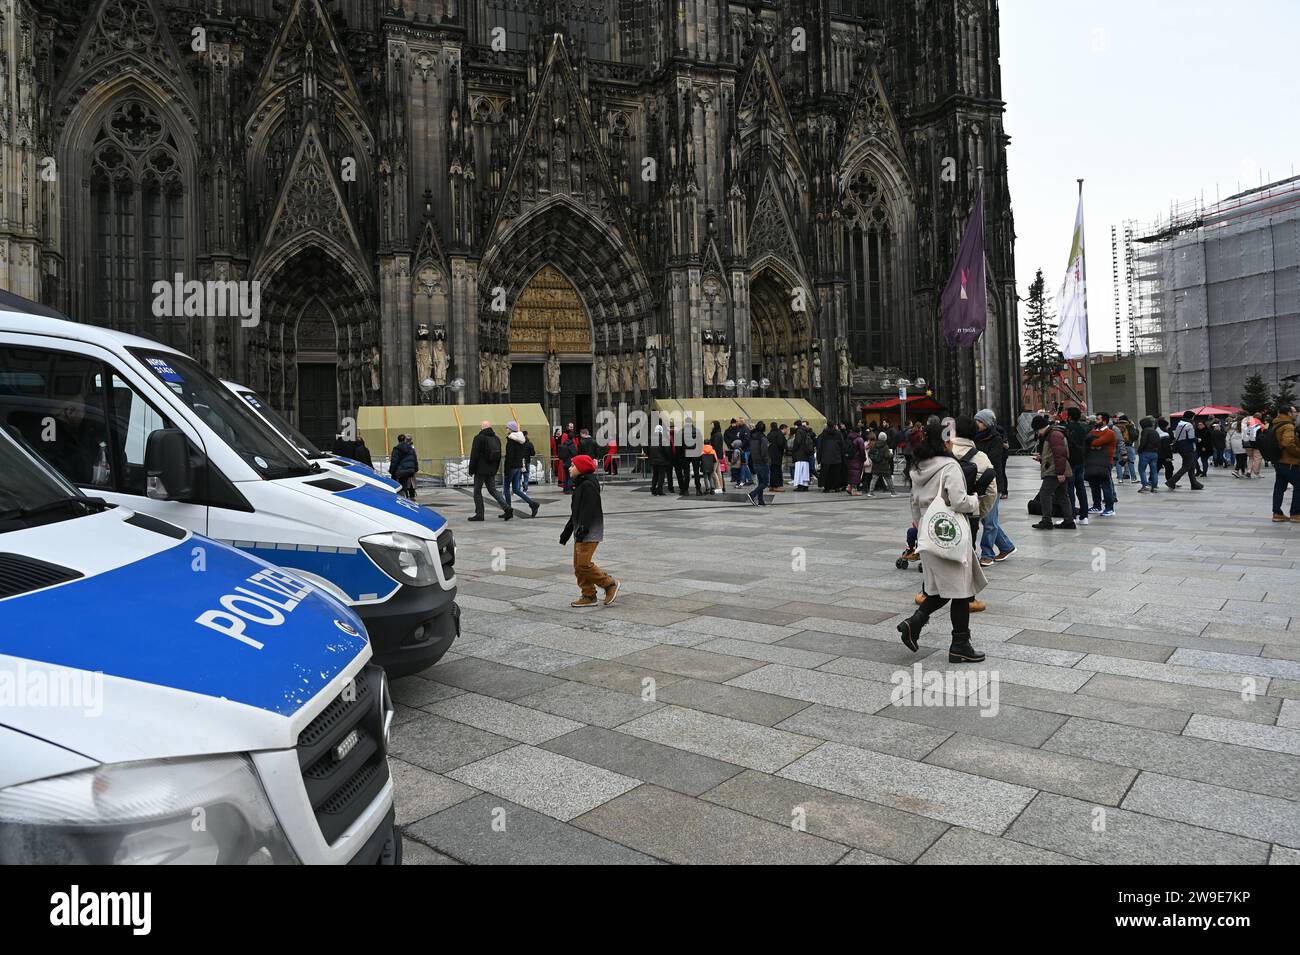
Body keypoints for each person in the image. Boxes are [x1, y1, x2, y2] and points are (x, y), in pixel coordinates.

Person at [895, 419, 987, 664]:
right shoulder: (950, 466)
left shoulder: (918, 467)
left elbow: (914, 504)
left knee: (946, 589)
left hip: (929, 532)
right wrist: (975, 500)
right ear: (946, 441)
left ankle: (915, 624)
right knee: (960, 591)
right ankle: (959, 644)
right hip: (950, 534)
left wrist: (922, 529)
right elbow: (958, 502)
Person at [559, 454, 619, 607]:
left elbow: (589, 510)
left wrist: (583, 528)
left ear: (581, 469)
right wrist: (567, 531)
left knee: (583, 565)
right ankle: (588, 595)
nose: (569, 468)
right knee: (578, 565)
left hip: (589, 531)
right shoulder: (581, 484)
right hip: (581, 530)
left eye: (573, 466)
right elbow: (576, 512)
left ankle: (609, 584)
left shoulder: (588, 486)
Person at [973, 410, 1015, 563]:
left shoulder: (995, 439)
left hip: (992, 483)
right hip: (978, 482)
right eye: (976, 421)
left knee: (989, 521)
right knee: (986, 519)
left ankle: (987, 554)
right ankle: (1006, 546)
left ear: (988, 423)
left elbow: (992, 462)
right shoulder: (975, 438)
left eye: (980, 421)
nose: (977, 424)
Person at [1032, 414, 1075, 530]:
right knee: (1062, 495)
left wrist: (1060, 472)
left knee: (1045, 494)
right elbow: (1053, 454)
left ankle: (1047, 521)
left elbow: (1060, 454)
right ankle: (1069, 521)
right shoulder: (1051, 434)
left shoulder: (1054, 435)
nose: (1037, 434)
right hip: (1058, 469)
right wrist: (1041, 458)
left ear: (1040, 427)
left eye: (1036, 430)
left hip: (1055, 471)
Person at [467, 420, 510, 521]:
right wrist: (495, 469)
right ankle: (507, 508)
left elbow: (474, 455)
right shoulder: (496, 438)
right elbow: (498, 456)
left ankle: (480, 514)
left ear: (481, 427)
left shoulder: (478, 438)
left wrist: (471, 469)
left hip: (480, 470)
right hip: (491, 470)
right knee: (493, 490)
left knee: (477, 492)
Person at [1270, 403, 1300, 522]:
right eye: (1294, 412)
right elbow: (1288, 443)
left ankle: (1277, 513)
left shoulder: (1276, 424)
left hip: (1278, 461)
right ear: (1288, 413)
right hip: (1290, 462)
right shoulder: (1288, 426)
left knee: (1279, 487)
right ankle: (1296, 514)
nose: (1295, 414)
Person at [502, 420, 540, 518]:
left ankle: (508, 510)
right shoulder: (521, 440)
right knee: (516, 489)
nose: (506, 429)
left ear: (511, 429)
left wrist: (506, 469)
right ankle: (532, 504)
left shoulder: (511, 440)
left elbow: (510, 456)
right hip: (518, 467)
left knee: (506, 489)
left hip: (511, 467)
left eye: (507, 427)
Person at [1085, 416, 1117, 517]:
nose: (1096, 421)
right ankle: (1097, 505)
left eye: (1098, 419)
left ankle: (1109, 507)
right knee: (1094, 484)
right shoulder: (1093, 431)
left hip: (1106, 461)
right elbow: (1086, 441)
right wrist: (1092, 444)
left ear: (1104, 421)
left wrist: (1092, 444)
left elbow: (1095, 442)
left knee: (1106, 485)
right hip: (1093, 461)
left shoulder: (1110, 433)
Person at [1063, 407, 1090, 525]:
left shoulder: (1067, 429)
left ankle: (1072, 515)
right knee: (1081, 488)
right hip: (1081, 460)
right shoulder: (1083, 428)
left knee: (1069, 489)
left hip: (1070, 461)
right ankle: (1084, 516)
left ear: (1069, 416)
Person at [1168, 411, 1204, 490]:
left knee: (1191, 466)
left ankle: (1194, 484)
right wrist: (1198, 439)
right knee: (1186, 466)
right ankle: (1171, 481)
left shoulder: (1180, 424)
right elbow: (1191, 438)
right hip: (1188, 448)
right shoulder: (1189, 425)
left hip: (1181, 447)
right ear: (1191, 417)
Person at [388, 433, 418, 500]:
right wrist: (415, 469)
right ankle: (409, 496)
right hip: (409, 470)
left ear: (398, 440)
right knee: (408, 484)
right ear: (405, 439)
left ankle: (404, 498)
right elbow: (414, 459)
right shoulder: (411, 448)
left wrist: (391, 471)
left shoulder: (396, 449)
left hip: (400, 471)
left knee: (401, 485)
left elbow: (394, 461)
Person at [747, 421, 770, 506]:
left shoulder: (752, 437)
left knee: (761, 482)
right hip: (762, 462)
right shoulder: (762, 438)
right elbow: (764, 451)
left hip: (755, 462)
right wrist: (766, 459)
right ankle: (752, 494)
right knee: (766, 482)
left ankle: (761, 500)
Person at [867, 431, 896, 497]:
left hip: (876, 465)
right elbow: (887, 456)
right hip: (884, 465)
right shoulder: (885, 446)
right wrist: (891, 454)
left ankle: (870, 492)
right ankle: (893, 492)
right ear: (885, 438)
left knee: (874, 478)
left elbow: (870, 453)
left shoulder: (874, 444)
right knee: (888, 478)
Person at [1136, 416, 1161, 493]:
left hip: (1145, 453)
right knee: (1154, 471)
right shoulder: (1155, 431)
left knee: (1142, 470)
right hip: (1154, 453)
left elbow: (1143, 443)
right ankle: (1154, 487)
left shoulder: (1145, 431)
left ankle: (1145, 486)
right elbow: (1159, 443)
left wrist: (1139, 450)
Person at [818, 423, 843, 493]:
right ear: (834, 426)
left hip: (826, 457)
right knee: (836, 473)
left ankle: (827, 488)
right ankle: (836, 487)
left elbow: (819, 446)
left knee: (827, 473)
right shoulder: (838, 433)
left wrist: (819, 458)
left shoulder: (823, 434)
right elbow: (842, 445)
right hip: (837, 456)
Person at [791, 421, 814, 491]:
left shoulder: (798, 431)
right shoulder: (805, 431)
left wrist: (794, 449)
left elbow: (798, 441)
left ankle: (800, 486)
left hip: (799, 454)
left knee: (799, 470)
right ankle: (805, 485)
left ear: (796, 425)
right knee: (805, 471)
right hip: (805, 454)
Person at [649, 424, 671, 496]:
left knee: (655, 475)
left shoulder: (651, 439)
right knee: (661, 476)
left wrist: (650, 457)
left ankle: (653, 488)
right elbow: (667, 450)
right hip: (662, 461)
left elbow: (647, 449)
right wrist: (668, 458)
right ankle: (659, 490)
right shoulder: (663, 439)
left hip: (653, 460)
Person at [845, 425, 866, 496]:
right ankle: (854, 490)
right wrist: (863, 459)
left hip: (849, 458)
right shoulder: (859, 439)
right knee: (856, 473)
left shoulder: (849, 437)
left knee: (851, 473)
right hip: (857, 459)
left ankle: (849, 487)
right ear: (859, 432)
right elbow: (862, 450)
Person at [1243, 412, 1263, 478]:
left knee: (1251, 457)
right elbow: (1263, 433)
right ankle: (1256, 473)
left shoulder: (1247, 422)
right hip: (1255, 443)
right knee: (1257, 457)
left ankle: (1249, 471)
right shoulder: (1259, 423)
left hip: (1246, 442)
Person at [768, 422, 787, 491]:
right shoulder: (779, 434)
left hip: (770, 455)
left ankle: (772, 486)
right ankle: (776, 486)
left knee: (772, 470)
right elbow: (780, 444)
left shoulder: (769, 434)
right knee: (777, 470)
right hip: (777, 455)